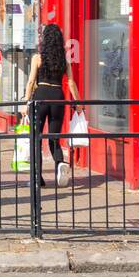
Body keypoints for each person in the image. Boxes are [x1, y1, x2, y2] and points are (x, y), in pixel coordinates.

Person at [25, 22, 83, 187]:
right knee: (54, 138)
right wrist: (78, 103)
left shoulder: (37, 58)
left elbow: (30, 82)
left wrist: (25, 103)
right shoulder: (64, 61)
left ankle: (37, 178)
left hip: (41, 96)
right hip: (58, 96)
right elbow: (71, 83)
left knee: (35, 138)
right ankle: (59, 164)